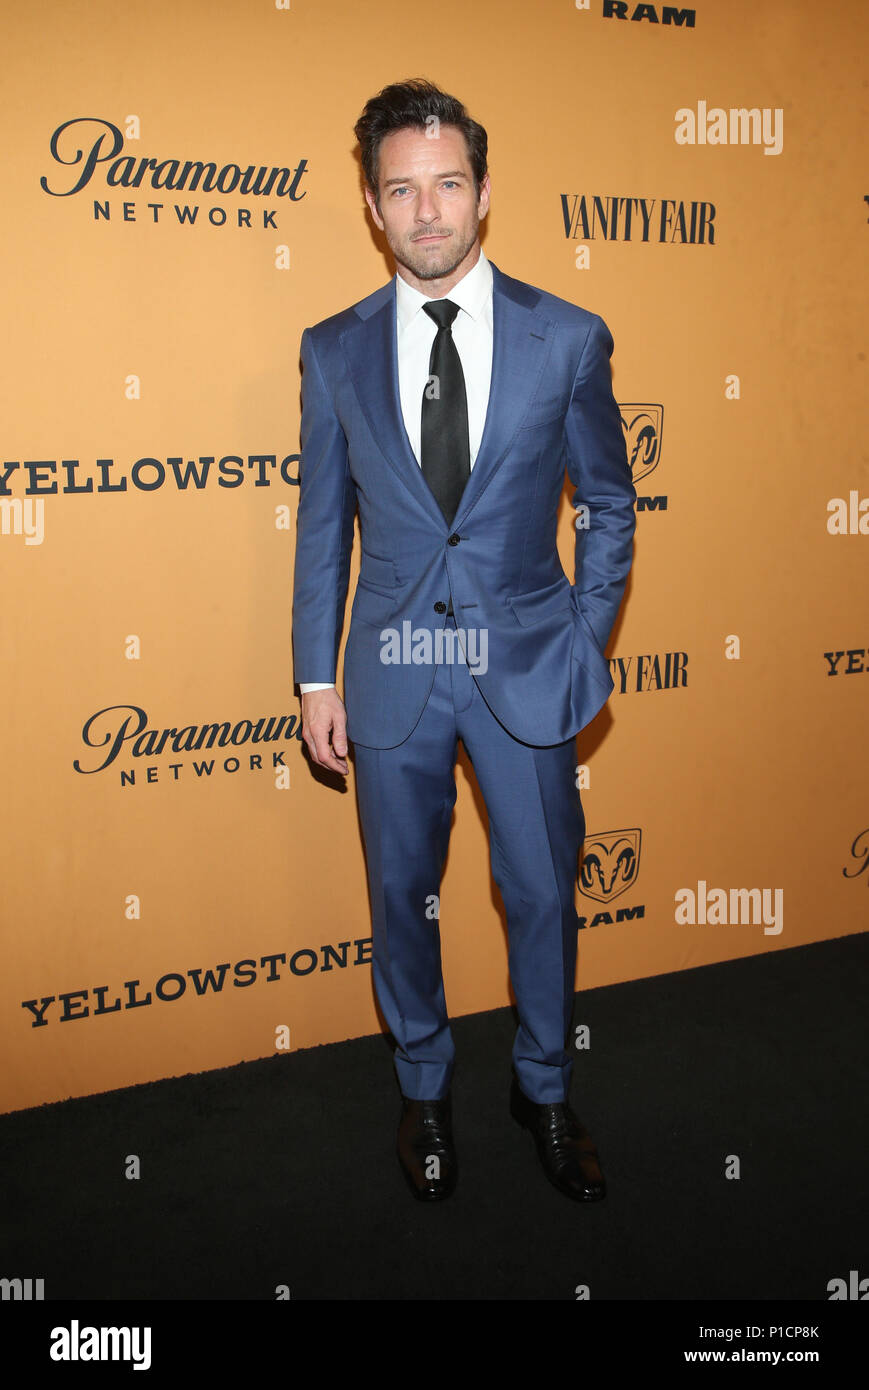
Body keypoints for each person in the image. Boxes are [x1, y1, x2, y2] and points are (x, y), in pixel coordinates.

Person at [292, 79, 636, 1203]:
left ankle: (541, 1087)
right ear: (372, 207)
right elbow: (321, 522)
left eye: (446, 184)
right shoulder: (332, 348)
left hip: (528, 667)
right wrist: (312, 675)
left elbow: (609, 503)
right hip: (388, 675)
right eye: (401, 189)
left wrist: (583, 644)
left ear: (482, 194)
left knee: (539, 892)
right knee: (403, 896)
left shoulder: (566, 336)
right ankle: (423, 1087)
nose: (425, 210)